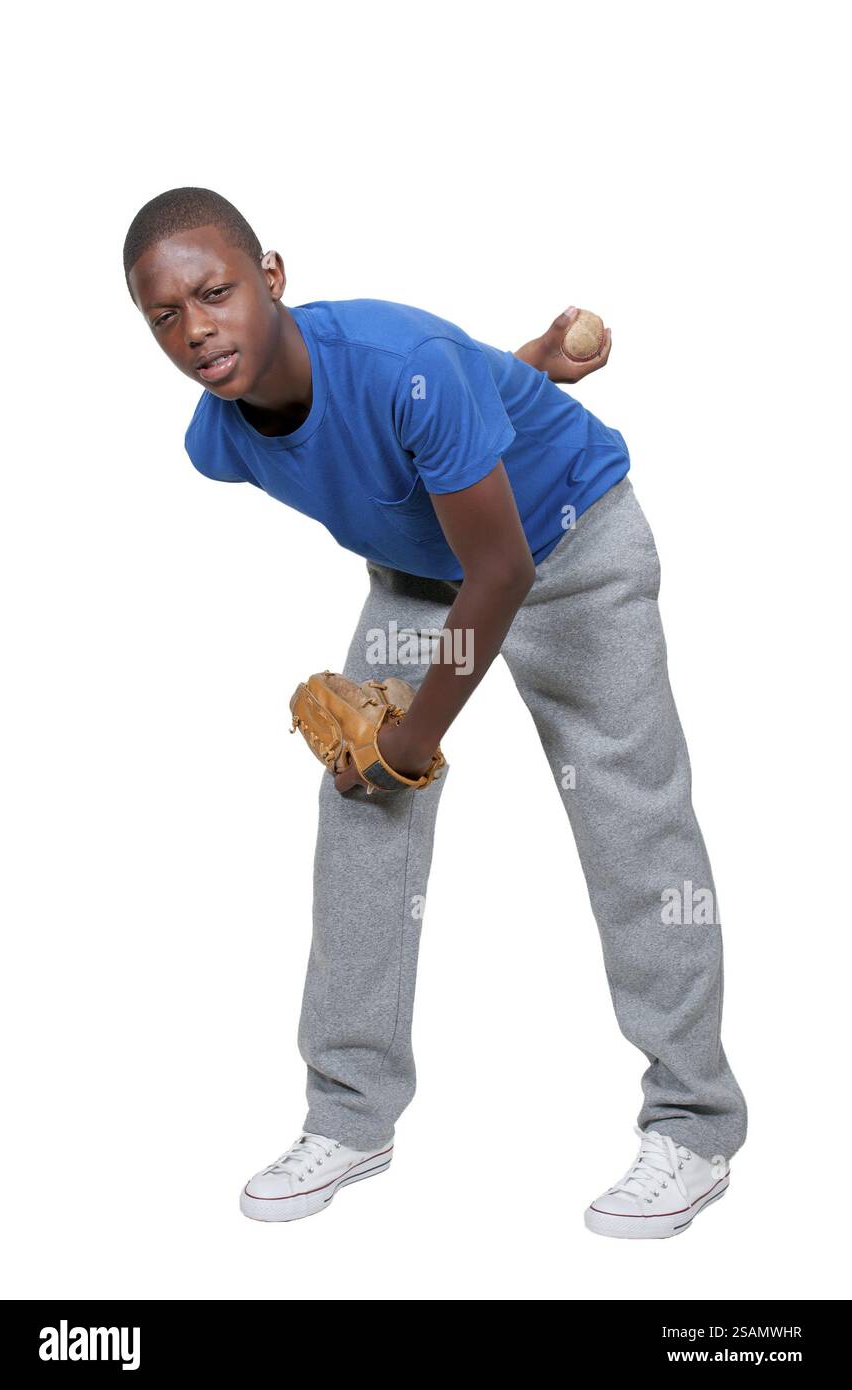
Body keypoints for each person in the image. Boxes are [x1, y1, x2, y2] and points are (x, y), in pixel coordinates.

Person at [124, 186, 748, 1240]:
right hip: (423, 576)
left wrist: (409, 742)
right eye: (163, 315)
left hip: (568, 546)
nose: (195, 329)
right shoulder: (217, 439)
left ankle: (694, 1122)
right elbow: (420, 419)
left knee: (630, 819)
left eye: (215, 292)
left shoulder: (390, 357)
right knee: (355, 812)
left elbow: (495, 565)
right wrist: (527, 364)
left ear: (271, 276)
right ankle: (349, 1112)